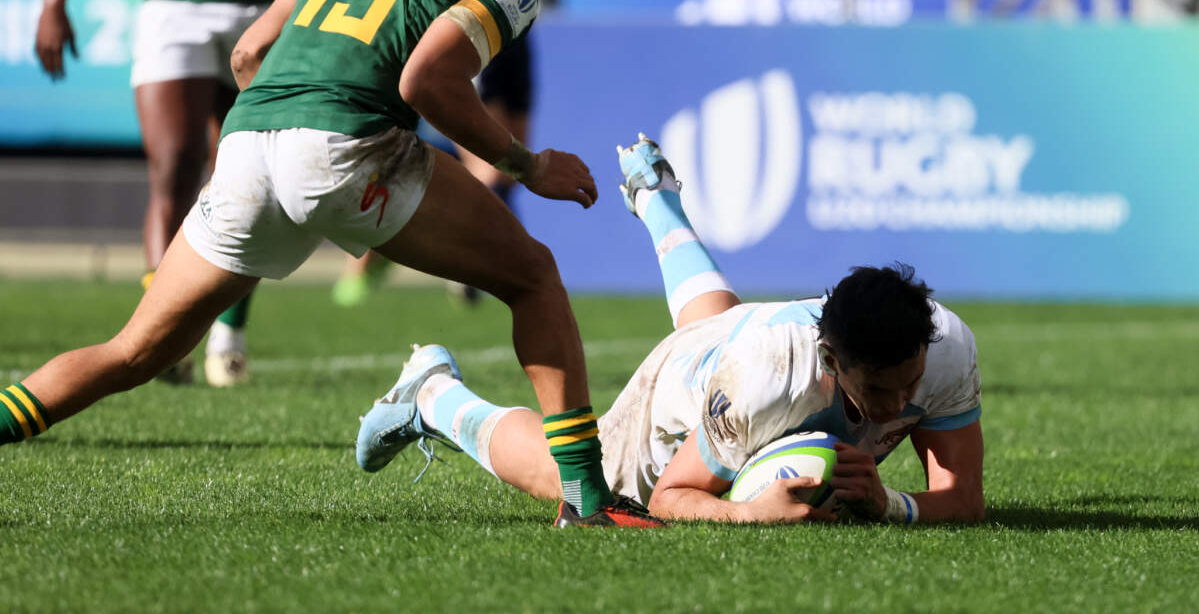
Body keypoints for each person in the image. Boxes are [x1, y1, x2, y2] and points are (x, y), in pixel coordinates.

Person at [4, 0, 659, 530]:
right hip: (345, 143)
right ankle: (588, 502)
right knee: (531, 277)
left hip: (250, 137)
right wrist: (527, 166)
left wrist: (282, 158)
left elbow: (252, 50)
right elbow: (427, 78)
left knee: (133, 350)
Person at [356, 135, 985, 525]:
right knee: (574, 477)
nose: (900, 407)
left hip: (735, 343)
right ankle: (434, 395)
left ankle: (659, 202)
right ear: (832, 358)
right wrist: (749, 511)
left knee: (722, 330)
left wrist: (893, 505)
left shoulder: (947, 349)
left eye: (910, 384)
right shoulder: (765, 380)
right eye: (877, 395)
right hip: (687, 387)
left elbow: (965, 502)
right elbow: (671, 498)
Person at [33, 0, 310, 386]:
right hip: (171, 6)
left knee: (253, 176)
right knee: (173, 170)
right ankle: (162, 338)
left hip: (256, 9)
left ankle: (229, 331)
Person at [331, 0, 536, 307]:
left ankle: (440, 255)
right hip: (448, 29)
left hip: (508, 23)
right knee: (488, 153)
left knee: (507, 155)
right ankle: (459, 259)